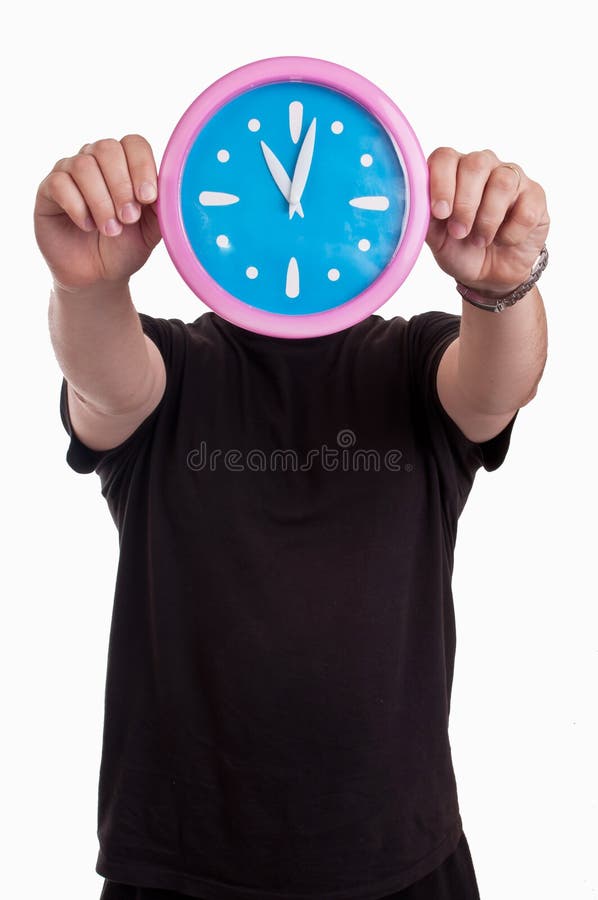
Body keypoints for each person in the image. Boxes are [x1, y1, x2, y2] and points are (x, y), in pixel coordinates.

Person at [35, 133, 549, 900]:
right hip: (178, 867)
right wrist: (87, 287)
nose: (296, 210)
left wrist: (500, 288)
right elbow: (107, 382)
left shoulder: (416, 360)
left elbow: (498, 382)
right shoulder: (166, 371)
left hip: (398, 864)